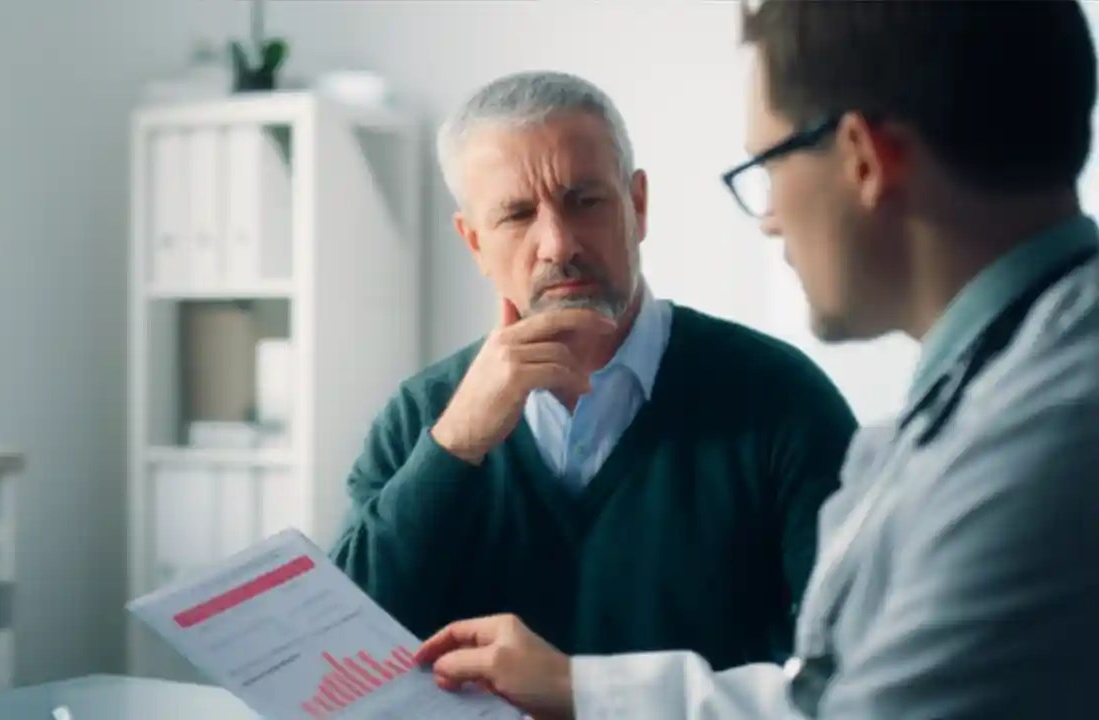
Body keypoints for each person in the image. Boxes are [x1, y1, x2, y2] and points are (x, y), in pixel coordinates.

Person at [414, 2, 1099, 718]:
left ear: (865, 159)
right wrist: (582, 688)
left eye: (766, 164)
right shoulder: (1007, 390)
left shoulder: (1044, 441)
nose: (769, 214)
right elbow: (828, 692)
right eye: (516, 214)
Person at [331, 71, 858, 672]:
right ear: (474, 242)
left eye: (585, 201)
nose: (558, 243)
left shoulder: (780, 398)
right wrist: (455, 446)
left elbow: (857, 667)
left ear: (637, 206)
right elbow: (340, 654)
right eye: (517, 215)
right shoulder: (420, 420)